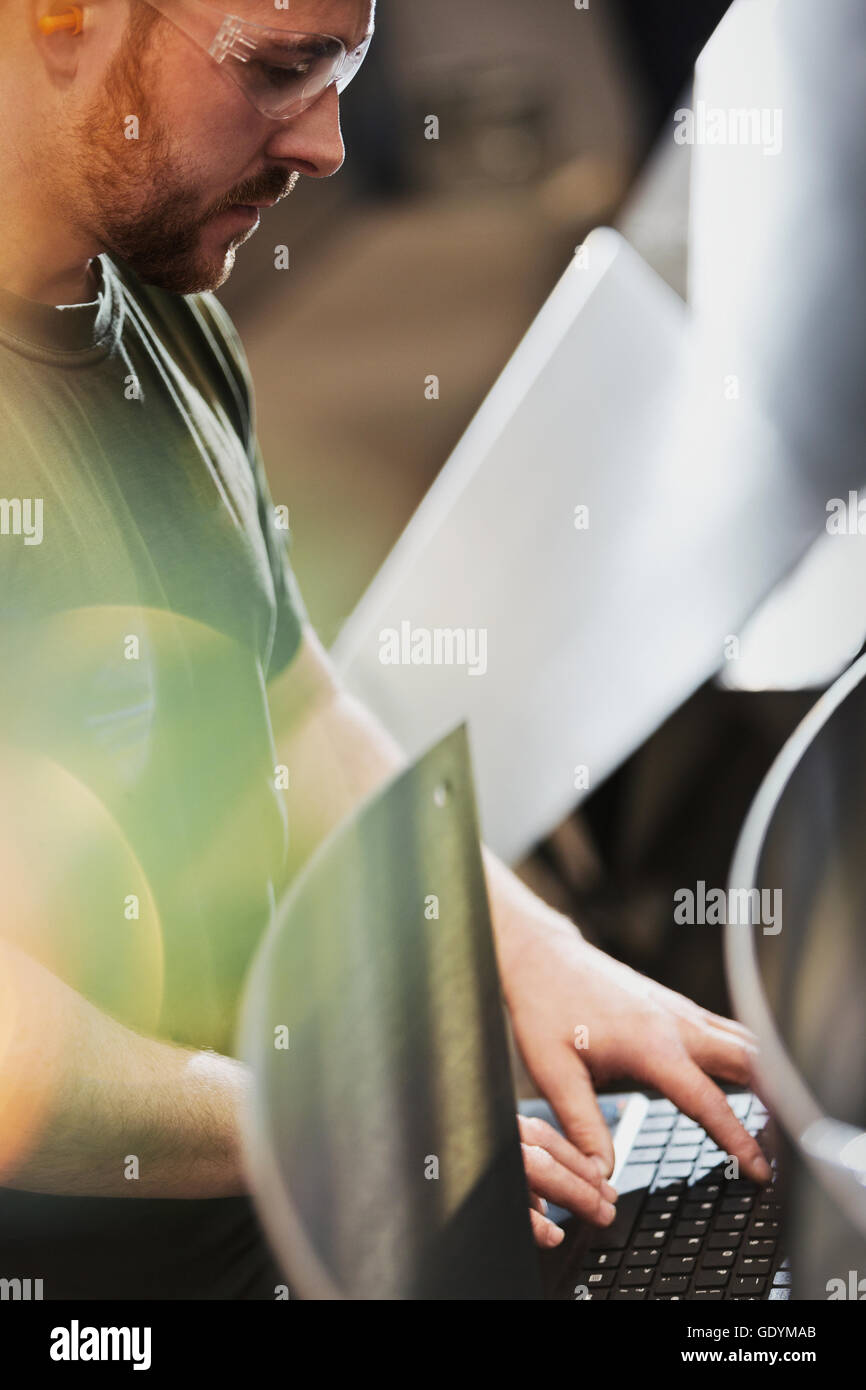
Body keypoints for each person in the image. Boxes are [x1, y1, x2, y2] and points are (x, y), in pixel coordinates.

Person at [0, 0, 770, 1299]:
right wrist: (327, 1135)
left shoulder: (159, 310)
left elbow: (293, 700)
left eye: (344, 69)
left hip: (264, 1224)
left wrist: (530, 950)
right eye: (279, 70)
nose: (329, 146)